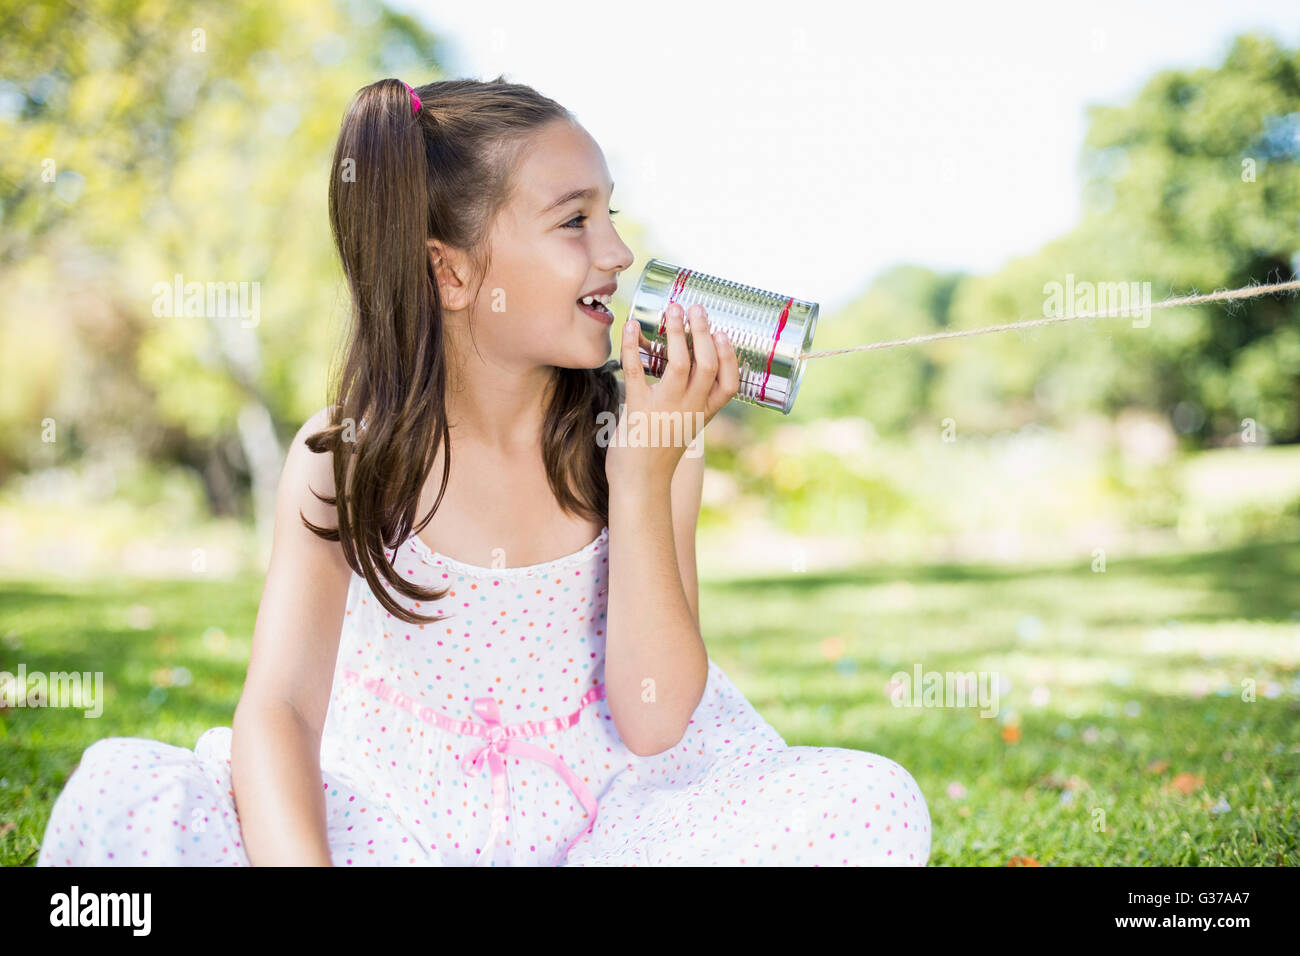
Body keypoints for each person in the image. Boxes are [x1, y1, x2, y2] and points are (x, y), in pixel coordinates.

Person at [37, 76, 931, 866]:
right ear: (451, 273)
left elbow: (657, 721)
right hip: (393, 831)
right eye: (574, 220)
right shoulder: (347, 461)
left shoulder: (648, 443)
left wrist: (642, 478)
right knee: (124, 793)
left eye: (610, 214)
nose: (618, 254)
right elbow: (280, 715)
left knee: (870, 802)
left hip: (609, 832)